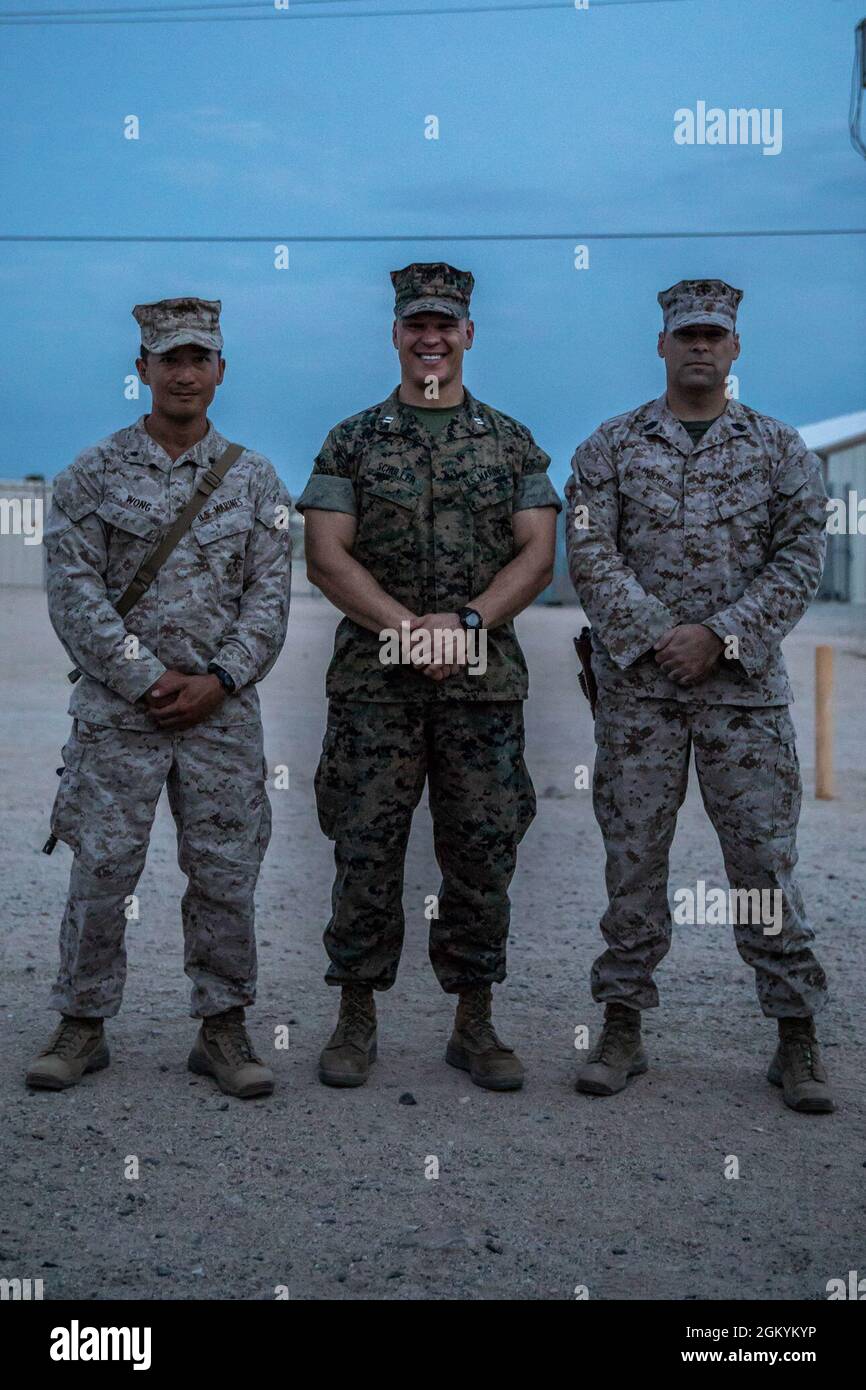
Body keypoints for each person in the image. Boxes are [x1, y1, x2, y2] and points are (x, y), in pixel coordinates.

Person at [565, 278, 833, 1114]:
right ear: (662, 345)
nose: (700, 347)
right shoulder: (608, 447)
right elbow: (590, 554)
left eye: (714, 335)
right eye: (686, 335)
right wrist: (658, 636)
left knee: (760, 865)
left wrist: (718, 636)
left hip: (741, 699)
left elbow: (799, 560)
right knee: (633, 864)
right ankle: (622, 1027)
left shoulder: (782, 451)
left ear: (736, 347)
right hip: (640, 699)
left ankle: (795, 1035)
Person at [296, 262, 560, 1091]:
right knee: (365, 848)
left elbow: (539, 554)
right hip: (376, 685)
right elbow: (325, 554)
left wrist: (469, 624)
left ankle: (475, 1024)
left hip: (481, 688)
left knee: (481, 851)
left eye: (445, 325)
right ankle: (355, 1018)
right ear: (397, 336)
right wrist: (409, 630)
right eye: (417, 325)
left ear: (469, 335)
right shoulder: (352, 440)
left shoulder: (512, 441)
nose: (431, 338)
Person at [27, 297, 291, 1100]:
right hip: (119, 714)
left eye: (198, 358)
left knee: (223, 874)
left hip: (222, 716)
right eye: (167, 358)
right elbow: (73, 596)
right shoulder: (91, 474)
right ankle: (81, 1024)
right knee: (102, 871)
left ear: (221, 371)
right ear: (141, 370)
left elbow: (271, 598)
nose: (183, 372)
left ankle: (222, 1027)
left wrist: (218, 680)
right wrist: (146, 678)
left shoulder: (256, 481)